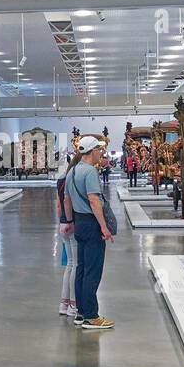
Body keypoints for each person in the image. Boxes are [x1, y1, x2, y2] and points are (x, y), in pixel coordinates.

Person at [65, 136, 115, 330]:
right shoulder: (90, 172)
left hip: (79, 223)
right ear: (92, 151)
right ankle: (92, 317)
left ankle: (81, 312)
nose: (100, 154)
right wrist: (103, 227)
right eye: (99, 151)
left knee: (81, 269)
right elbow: (94, 201)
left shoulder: (72, 171)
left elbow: (67, 199)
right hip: (92, 224)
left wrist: (69, 221)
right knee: (93, 271)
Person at [54, 153, 79, 317]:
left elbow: (58, 205)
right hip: (72, 224)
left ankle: (64, 304)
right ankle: (73, 305)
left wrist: (61, 223)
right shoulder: (73, 179)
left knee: (70, 264)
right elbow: (68, 202)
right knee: (76, 264)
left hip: (63, 224)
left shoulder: (61, 179)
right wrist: (70, 221)